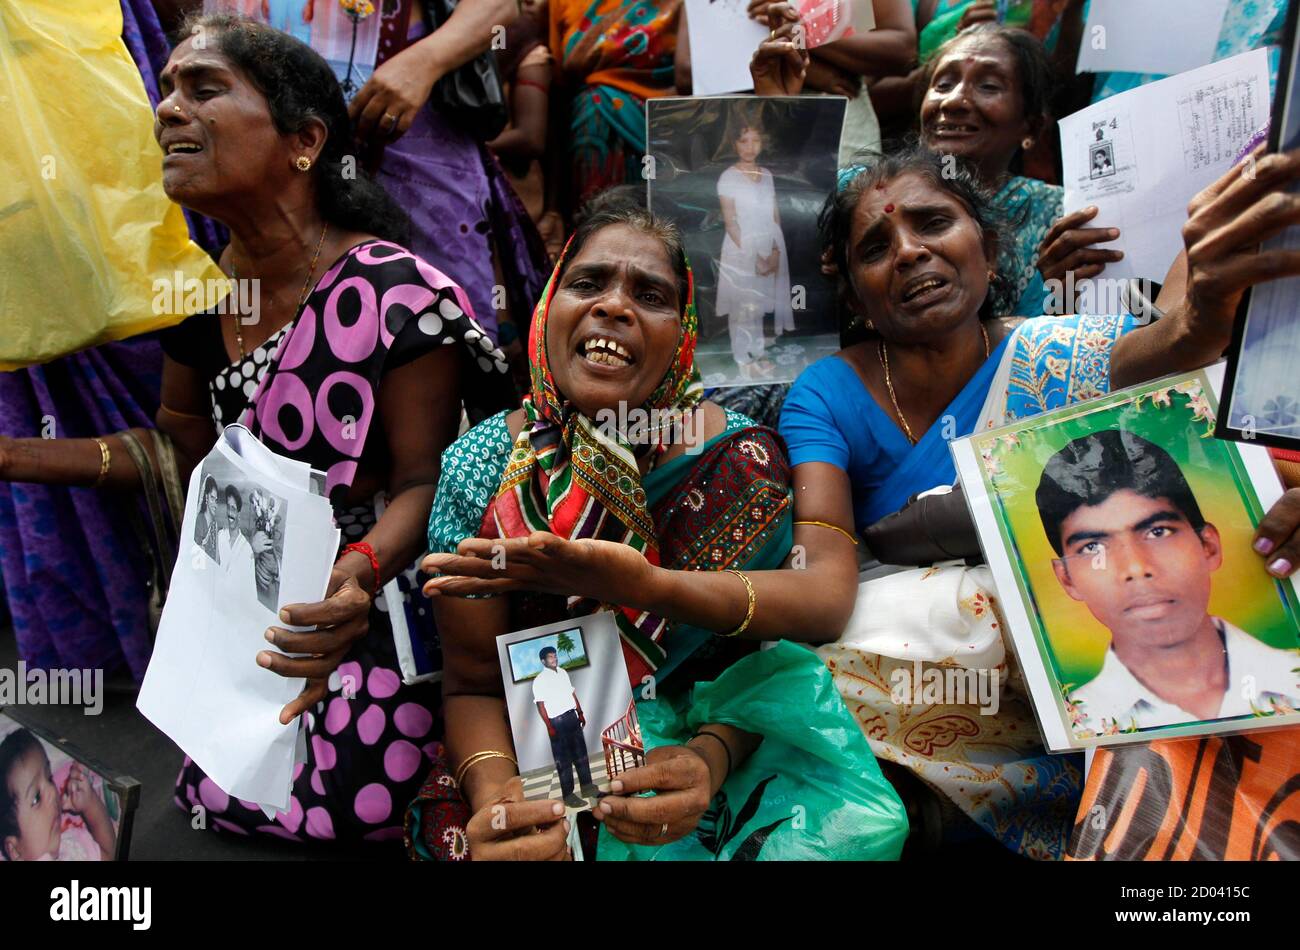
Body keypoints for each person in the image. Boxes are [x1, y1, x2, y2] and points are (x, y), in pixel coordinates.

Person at [0, 14, 511, 845]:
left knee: (358, 807)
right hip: (246, 642)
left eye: (204, 90)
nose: (167, 111)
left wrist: (357, 573)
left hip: (368, 618)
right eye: (165, 92)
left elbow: (429, 480)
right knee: (218, 802)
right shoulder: (204, 302)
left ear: (305, 140)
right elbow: (178, 450)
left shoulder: (391, 291)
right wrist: (14, 456)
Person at [775, 139, 1300, 858]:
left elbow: (1169, 349)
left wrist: (1197, 316)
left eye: (932, 224)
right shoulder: (828, 393)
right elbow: (824, 569)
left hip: (1116, 653)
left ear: (989, 254)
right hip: (947, 679)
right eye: (876, 247)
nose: (908, 252)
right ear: (857, 293)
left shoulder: (1056, 352)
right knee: (860, 642)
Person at [405, 204, 904, 861]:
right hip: (544, 754)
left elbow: (767, 670)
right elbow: (471, 685)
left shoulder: (741, 465)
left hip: (716, 753)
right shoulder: (481, 469)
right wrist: (502, 798)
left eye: (650, 295)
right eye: (587, 284)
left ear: (683, 335)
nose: (613, 306)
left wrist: (707, 760)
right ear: (547, 307)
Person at [200, 0, 549, 348]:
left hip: (408, 125)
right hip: (271, 140)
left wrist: (423, 61)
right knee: (293, 335)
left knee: (441, 329)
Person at [1037, 430, 1300, 734]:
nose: (1136, 568)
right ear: (1067, 579)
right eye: (1093, 547)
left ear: (1208, 546)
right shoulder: (1078, 720)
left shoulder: (1289, 674)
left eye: (1158, 532)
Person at [548, 0, 682, 207]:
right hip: (594, 125)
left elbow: (699, 69)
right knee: (601, 221)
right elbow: (556, 92)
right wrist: (552, 208)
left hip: (675, 127)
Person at [716, 121, 792, 380]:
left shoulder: (767, 174)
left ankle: (757, 351)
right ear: (734, 144)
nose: (750, 147)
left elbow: (775, 214)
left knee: (758, 303)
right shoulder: (728, 177)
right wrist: (753, 256)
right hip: (741, 248)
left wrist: (774, 251)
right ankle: (741, 356)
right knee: (742, 305)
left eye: (755, 141)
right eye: (743, 141)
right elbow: (730, 222)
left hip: (768, 243)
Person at [0, 729, 114, 862]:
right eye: (37, 798)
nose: (52, 791)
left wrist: (90, 805)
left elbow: (110, 854)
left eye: (49, 778)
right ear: (15, 850)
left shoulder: (73, 846)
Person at [532, 646, 596, 807]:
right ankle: (568, 795)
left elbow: (572, 693)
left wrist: (580, 712)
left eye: (555, 656)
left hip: (571, 717)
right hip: (557, 723)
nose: (554, 659)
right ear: (543, 661)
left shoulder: (563, 673)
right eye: (550, 657)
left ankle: (587, 787)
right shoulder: (539, 680)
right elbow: (541, 706)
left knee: (581, 754)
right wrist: (549, 727)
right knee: (564, 760)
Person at [217, 485, 257, 593]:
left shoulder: (247, 549)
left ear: (239, 514)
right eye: (228, 507)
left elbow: (251, 592)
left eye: (233, 509)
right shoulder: (219, 537)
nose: (230, 513)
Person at [195, 475, 223, 563]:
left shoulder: (215, 524)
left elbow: (217, 556)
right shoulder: (199, 521)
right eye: (212, 498)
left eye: (216, 500)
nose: (215, 504)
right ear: (206, 497)